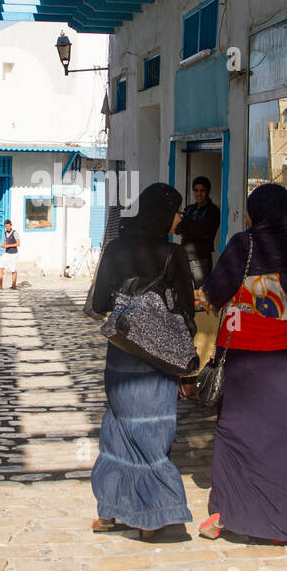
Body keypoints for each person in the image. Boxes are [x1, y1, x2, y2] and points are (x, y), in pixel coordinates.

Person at [195, 183, 287, 549]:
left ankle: (228, 512)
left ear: (257, 214)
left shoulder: (242, 246)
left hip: (241, 356)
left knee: (234, 433)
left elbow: (214, 293)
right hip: (278, 356)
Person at [88, 183, 195, 539]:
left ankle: (111, 510)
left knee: (118, 430)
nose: (181, 217)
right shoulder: (173, 254)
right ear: (164, 213)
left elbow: (101, 303)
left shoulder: (117, 248)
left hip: (121, 357)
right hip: (158, 362)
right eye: (178, 210)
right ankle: (154, 516)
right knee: (151, 431)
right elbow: (186, 314)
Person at [176, 176, 221, 286]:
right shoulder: (190, 209)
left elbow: (201, 232)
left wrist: (187, 229)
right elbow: (178, 227)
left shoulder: (212, 211)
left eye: (202, 190)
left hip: (201, 261)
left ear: (207, 192)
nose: (199, 194)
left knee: (200, 295)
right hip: (185, 258)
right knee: (184, 292)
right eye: (196, 190)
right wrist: (192, 229)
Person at [0, 218, 20, 290]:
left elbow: (18, 243)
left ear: (11, 225)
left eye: (8, 226)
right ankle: (0, 285)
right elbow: (6, 241)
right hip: (7, 253)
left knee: (13, 269)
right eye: (6, 226)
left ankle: (14, 285)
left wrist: (8, 246)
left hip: (13, 254)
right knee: (0, 267)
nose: (7, 227)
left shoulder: (15, 233)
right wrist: (4, 244)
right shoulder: (5, 233)